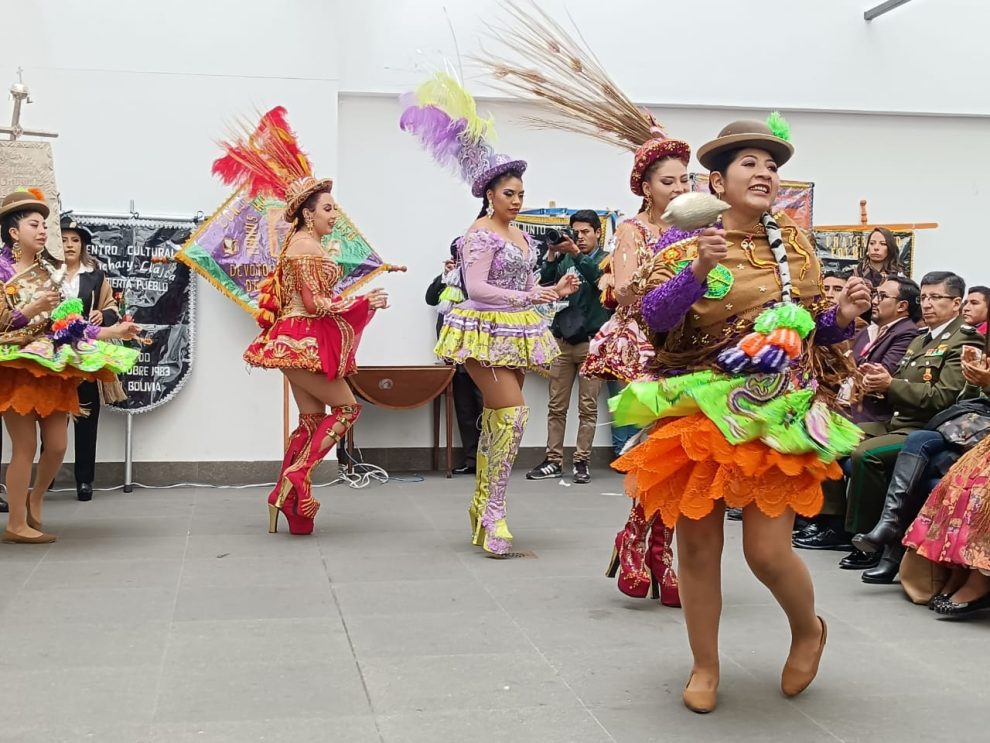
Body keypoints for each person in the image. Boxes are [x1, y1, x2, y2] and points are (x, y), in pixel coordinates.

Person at [610, 118, 871, 712]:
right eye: (749, 163)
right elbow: (656, 319)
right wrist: (698, 271)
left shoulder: (795, 246)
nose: (764, 173)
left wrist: (843, 317)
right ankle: (705, 665)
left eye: (771, 166)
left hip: (775, 411)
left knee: (767, 553)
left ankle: (808, 629)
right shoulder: (684, 243)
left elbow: (812, 331)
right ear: (717, 182)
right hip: (700, 408)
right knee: (699, 547)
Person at [402, 73, 578, 556]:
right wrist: (531, 298)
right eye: (509, 195)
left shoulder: (520, 236)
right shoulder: (479, 234)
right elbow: (477, 288)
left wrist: (553, 289)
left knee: (500, 418)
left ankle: (484, 503)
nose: (517, 202)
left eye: (520, 194)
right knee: (514, 415)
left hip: (516, 331)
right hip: (481, 330)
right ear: (489, 195)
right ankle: (493, 511)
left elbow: (524, 287)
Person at [213, 107, 388, 536]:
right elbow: (314, 304)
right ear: (308, 214)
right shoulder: (307, 248)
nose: (334, 215)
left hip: (292, 340)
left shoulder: (303, 244)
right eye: (329, 208)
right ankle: (301, 473)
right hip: (304, 340)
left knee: (311, 420)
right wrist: (363, 301)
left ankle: (286, 499)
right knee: (347, 408)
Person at [1, 189, 141, 543]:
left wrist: (113, 331)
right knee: (24, 447)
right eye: (34, 225)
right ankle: (16, 524)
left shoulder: (49, 272)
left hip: (52, 365)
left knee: (57, 445)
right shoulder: (2, 271)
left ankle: (35, 497)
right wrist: (31, 310)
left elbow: (69, 324)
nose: (42, 231)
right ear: (14, 232)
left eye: (43, 225)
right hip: (16, 368)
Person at [838, 271, 982, 580]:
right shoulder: (920, 339)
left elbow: (943, 398)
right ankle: (829, 524)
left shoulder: (964, 339)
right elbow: (902, 385)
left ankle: (865, 539)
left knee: (866, 454)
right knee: (831, 439)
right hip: (897, 420)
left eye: (936, 297)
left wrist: (891, 385)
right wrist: (879, 384)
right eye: (924, 297)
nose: (927, 304)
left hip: (924, 427)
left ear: (956, 303)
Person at [794, 276, 920, 551]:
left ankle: (836, 525)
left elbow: (877, 372)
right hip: (848, 406)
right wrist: (849, 363)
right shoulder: (871, 330)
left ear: (902, 306)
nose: (875, 300)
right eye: (875, 294)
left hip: (875, 414)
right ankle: (813, 517)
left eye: (882, 296)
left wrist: (849, 361)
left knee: (828, 440)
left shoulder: (906, 333)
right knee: (807, 428)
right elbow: (845, 366)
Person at [526, 210, 610, 484]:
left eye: (586, 232)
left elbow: (600, 282)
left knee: (588, 407)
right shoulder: (564, 259)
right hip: (561, 341)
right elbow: (545, 283)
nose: (580, 237)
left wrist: (575, 253)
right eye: (576, 232)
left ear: (598, 232)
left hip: (592, 344)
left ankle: (582, 461)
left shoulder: (607, 259)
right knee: (556, 405)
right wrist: (552, 254)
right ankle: (553, 460)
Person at [59, 215, 122, 501]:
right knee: (52, 414)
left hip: (85, 353)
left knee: (86, 414)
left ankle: (84, 480)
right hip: (53, 353)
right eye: (63, 240)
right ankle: (47, 473)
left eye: (75, 240)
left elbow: (112, 307)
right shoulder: (45, 273)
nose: (69, 245)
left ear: (82, 245)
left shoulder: (95, 275)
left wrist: (102, 315)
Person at [425, 238, 483, 475]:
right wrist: (445, 276)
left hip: (478, 351)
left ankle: (489, 459)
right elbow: (430, 298)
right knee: (464, 408)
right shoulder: (449, 279)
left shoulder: (481, 277)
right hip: (453, 354)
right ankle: (471, 460)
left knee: (484, 405)